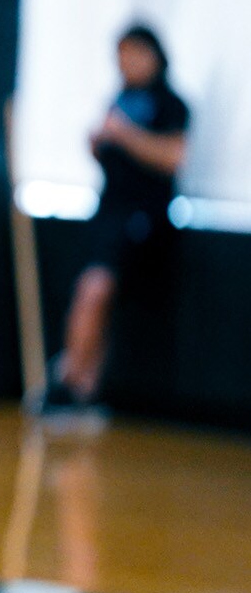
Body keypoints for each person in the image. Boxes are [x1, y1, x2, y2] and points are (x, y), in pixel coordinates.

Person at [51, 24, 188, 406]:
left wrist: (125, 135)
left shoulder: (170, 104)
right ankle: (80, 383)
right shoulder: (119, 98)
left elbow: (173, 157)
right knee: (94, 292)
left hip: (142, 219)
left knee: (96, 288)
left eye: (133, 53)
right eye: (120, 55)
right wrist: (99, 144)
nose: (126, 62)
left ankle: (74, 380)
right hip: (108, 212)